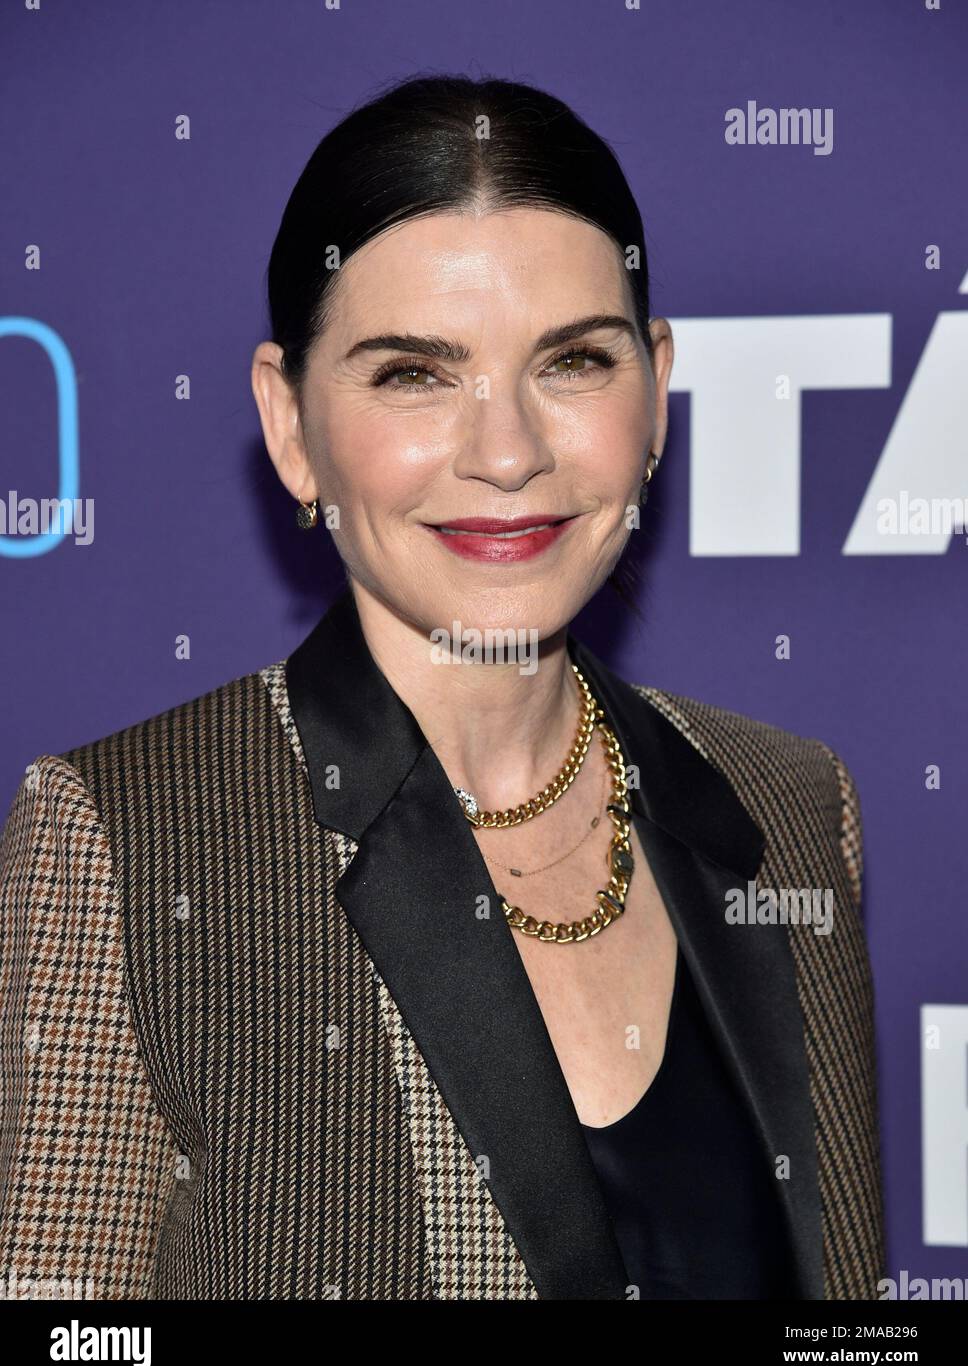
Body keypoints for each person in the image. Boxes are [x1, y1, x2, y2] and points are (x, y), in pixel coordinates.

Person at [0, 72, 884, 1300]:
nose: (508, 449)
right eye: (415, 373)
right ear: (290, 421)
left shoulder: (789, 811)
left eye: (572, 361)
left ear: (656, 388)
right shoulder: (130, 838)